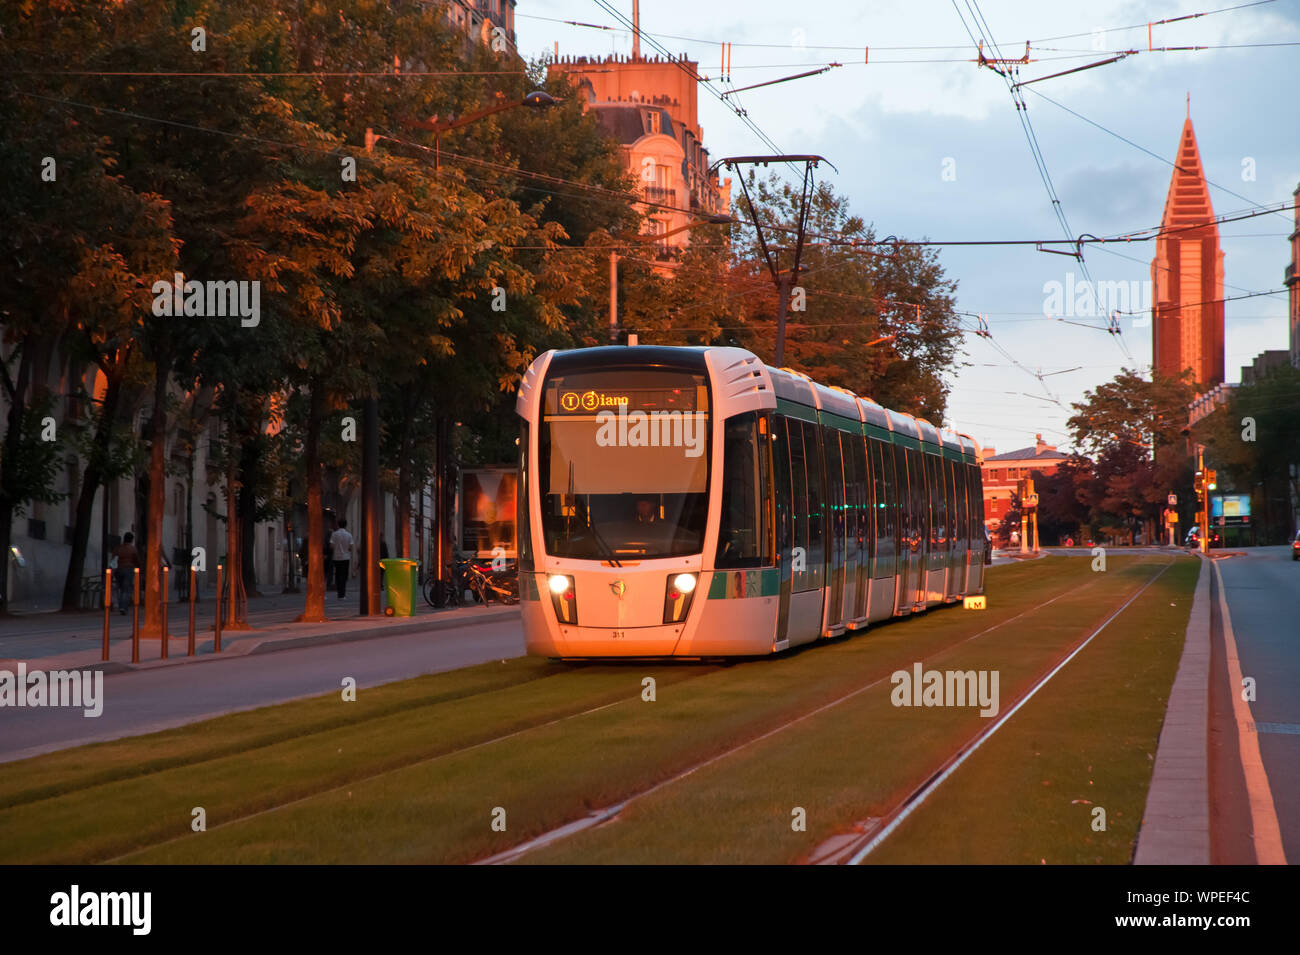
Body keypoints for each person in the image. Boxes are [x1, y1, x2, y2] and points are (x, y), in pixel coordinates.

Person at [112, 532, 139, 615]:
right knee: (126, 589)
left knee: (120, 589)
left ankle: (121, 606)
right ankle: (123, 607)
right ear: (131, 540)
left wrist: (112, 570)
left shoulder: (118, 548)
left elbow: (114, 560)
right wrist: (138, 567)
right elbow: (136, 560)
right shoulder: (133, 549)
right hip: (129, 569)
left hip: (119, 569)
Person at [329, 518, 354, 599]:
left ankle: (339, 592)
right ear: (345, 525)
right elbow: (350, 547)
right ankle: (342, 594)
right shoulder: (349, 535)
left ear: (338, 524)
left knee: (338, 574)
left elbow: (331, 546)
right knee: (344, 575)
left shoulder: (334, 534)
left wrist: (337, 548)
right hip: (346, 557)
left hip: (336, 557)